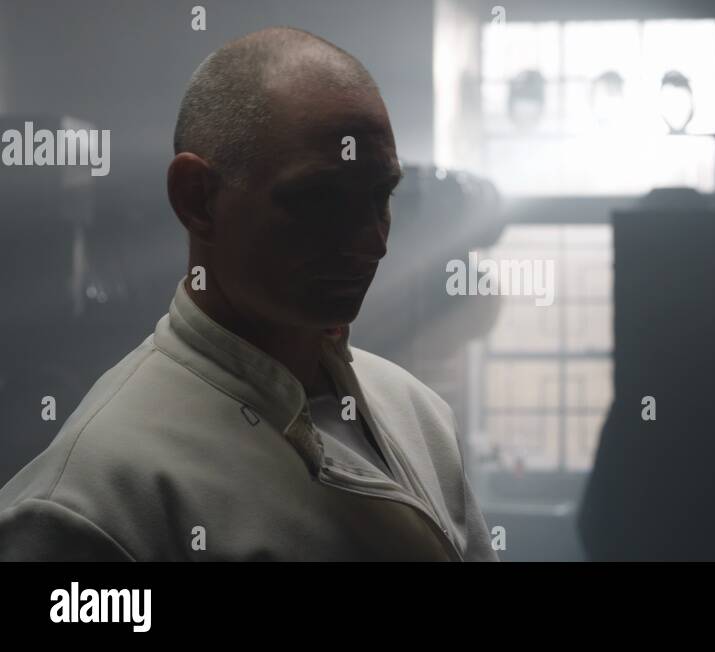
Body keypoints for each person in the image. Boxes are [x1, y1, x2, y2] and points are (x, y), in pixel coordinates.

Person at [0, 26, 498, 561]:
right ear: (198, 199)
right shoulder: (90, 504)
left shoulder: (420, 415)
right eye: (321, 200)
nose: (372, 242)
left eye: (380, 197)